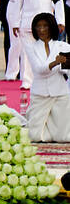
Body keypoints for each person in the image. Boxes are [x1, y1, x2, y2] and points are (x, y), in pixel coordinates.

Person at [9, 0, 62, 91]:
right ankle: (26, 81)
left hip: (46, 23)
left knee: (45, 51)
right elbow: (16, 3)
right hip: (27, 23)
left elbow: (58, 3)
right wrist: (15, 23)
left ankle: (46, 79)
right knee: (27, 53)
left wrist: (60, 21)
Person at [24, 12, 70, 142]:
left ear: (51, 27)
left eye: (45, 26)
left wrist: (65, 65)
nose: (41, 30)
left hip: (60, 94)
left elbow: (67, 72)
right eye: (38, 26)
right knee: (33, 136)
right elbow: (39, 70)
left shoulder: (63, 46)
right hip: (40, 95)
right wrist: (55, 62)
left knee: (63, 138)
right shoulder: (31, 47)